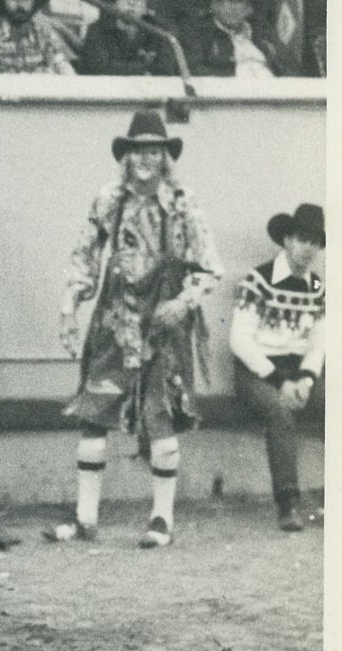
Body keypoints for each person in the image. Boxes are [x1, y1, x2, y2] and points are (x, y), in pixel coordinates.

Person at [52, 111, 222, 548]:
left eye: (154, 150)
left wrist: (182, 302)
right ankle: (85, 519)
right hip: (115, 317)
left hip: (163, 323)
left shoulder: (184, 202)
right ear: (125, 156)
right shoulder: (110, 199)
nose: (145, 158)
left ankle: (161, 520)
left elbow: (209, 268)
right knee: (95, 412)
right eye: (137, 150)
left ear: (165, 156)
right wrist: (69, 308)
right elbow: (85, 257)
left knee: (160, 415)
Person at [229, 203, 325, 532]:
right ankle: (288, 503)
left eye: (314, 240)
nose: (308, 247)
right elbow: (240, 341)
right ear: (286, 240)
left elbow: (318, 342)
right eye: (301, 238)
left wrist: (306, 380)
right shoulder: (259, 280)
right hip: (256, 371)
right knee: (279, 413)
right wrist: (280, 380)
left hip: (297, 373)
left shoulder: (316, 287)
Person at [178, 0, 284, 79]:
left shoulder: (263, 33)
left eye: (240, 1)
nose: (233, 7)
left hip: (272, 90)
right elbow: (194, 71)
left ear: (249, 9)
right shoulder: (199, 33)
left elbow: (285, 67)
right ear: (214, 5)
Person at [78, 0, 178, 77]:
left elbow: (165, 70)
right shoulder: (98, 29)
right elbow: (98, 68)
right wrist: (146, 68)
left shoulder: (160, 30)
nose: (131, 3)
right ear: (115, 3)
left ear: (146, 7)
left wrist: (121, 68)